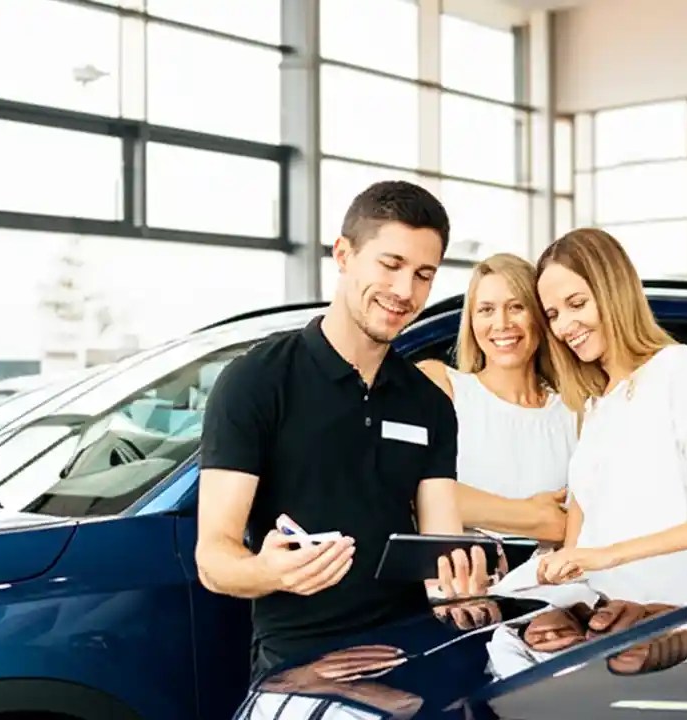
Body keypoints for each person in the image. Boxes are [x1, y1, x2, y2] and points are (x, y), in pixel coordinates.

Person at [195, 180, 490, 677]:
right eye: (390, 265)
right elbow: (213, 558)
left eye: (423, 275)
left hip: (411, 654)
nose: (405, 291)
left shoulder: (430, 404)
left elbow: (440, 547)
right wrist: (266, 571)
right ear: (344, 255)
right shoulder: (257, 381)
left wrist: (461, 585)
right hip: (300, 663)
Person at [530, 227, 687, 607]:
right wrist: (557, 578)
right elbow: (578, 548)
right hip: (604, 618)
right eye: (553, 314)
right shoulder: (594, 405)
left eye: (577, 303)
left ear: (614, 292)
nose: (564, 326)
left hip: (668, 616)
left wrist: (608, 556)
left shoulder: (677, 369)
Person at [415, 253, 577, 544]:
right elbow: (404, 488)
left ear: (539, 316)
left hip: (552, 574)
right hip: (462, 573)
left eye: (517, 307)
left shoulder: (574, 412)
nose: (502, 323)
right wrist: (531, 517)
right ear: (471, 321)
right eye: (486, 309)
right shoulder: (442, 386)